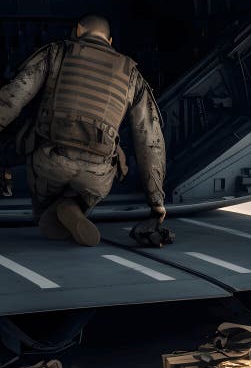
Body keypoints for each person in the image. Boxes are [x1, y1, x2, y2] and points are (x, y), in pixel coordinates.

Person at [0, 14, 166, 246]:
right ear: (109, 41)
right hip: (98, 173)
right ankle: (74, 206)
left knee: (43, 193)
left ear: (78, 31)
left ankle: (53, 208)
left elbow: (11, 101)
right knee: (93, 184)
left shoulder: (56, 53)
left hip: (50, 161)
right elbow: (150, 139)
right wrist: (156, 201)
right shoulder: (132, 75)